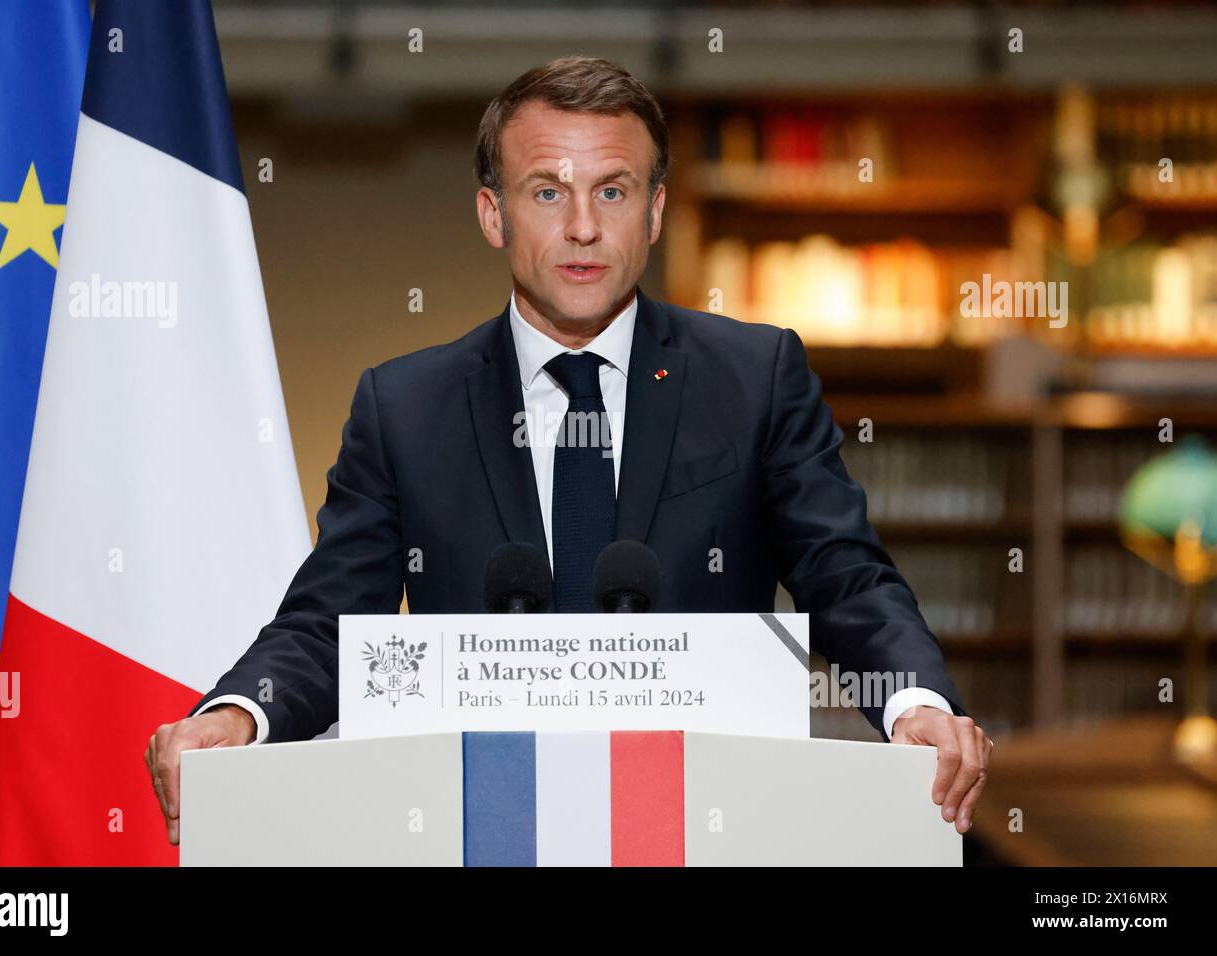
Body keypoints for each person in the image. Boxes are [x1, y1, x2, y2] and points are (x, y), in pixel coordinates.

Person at [146, 55, 991, 847]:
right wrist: (237, 715)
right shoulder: (404, 407)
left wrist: (910, 698)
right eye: (547, 193)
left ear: (655, 210)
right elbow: (330, 620)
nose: (584, 227)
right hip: (481, 828)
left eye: (613, 191)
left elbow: (844, 573)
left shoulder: (756, 377)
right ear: (492, 213)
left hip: (710, 828)